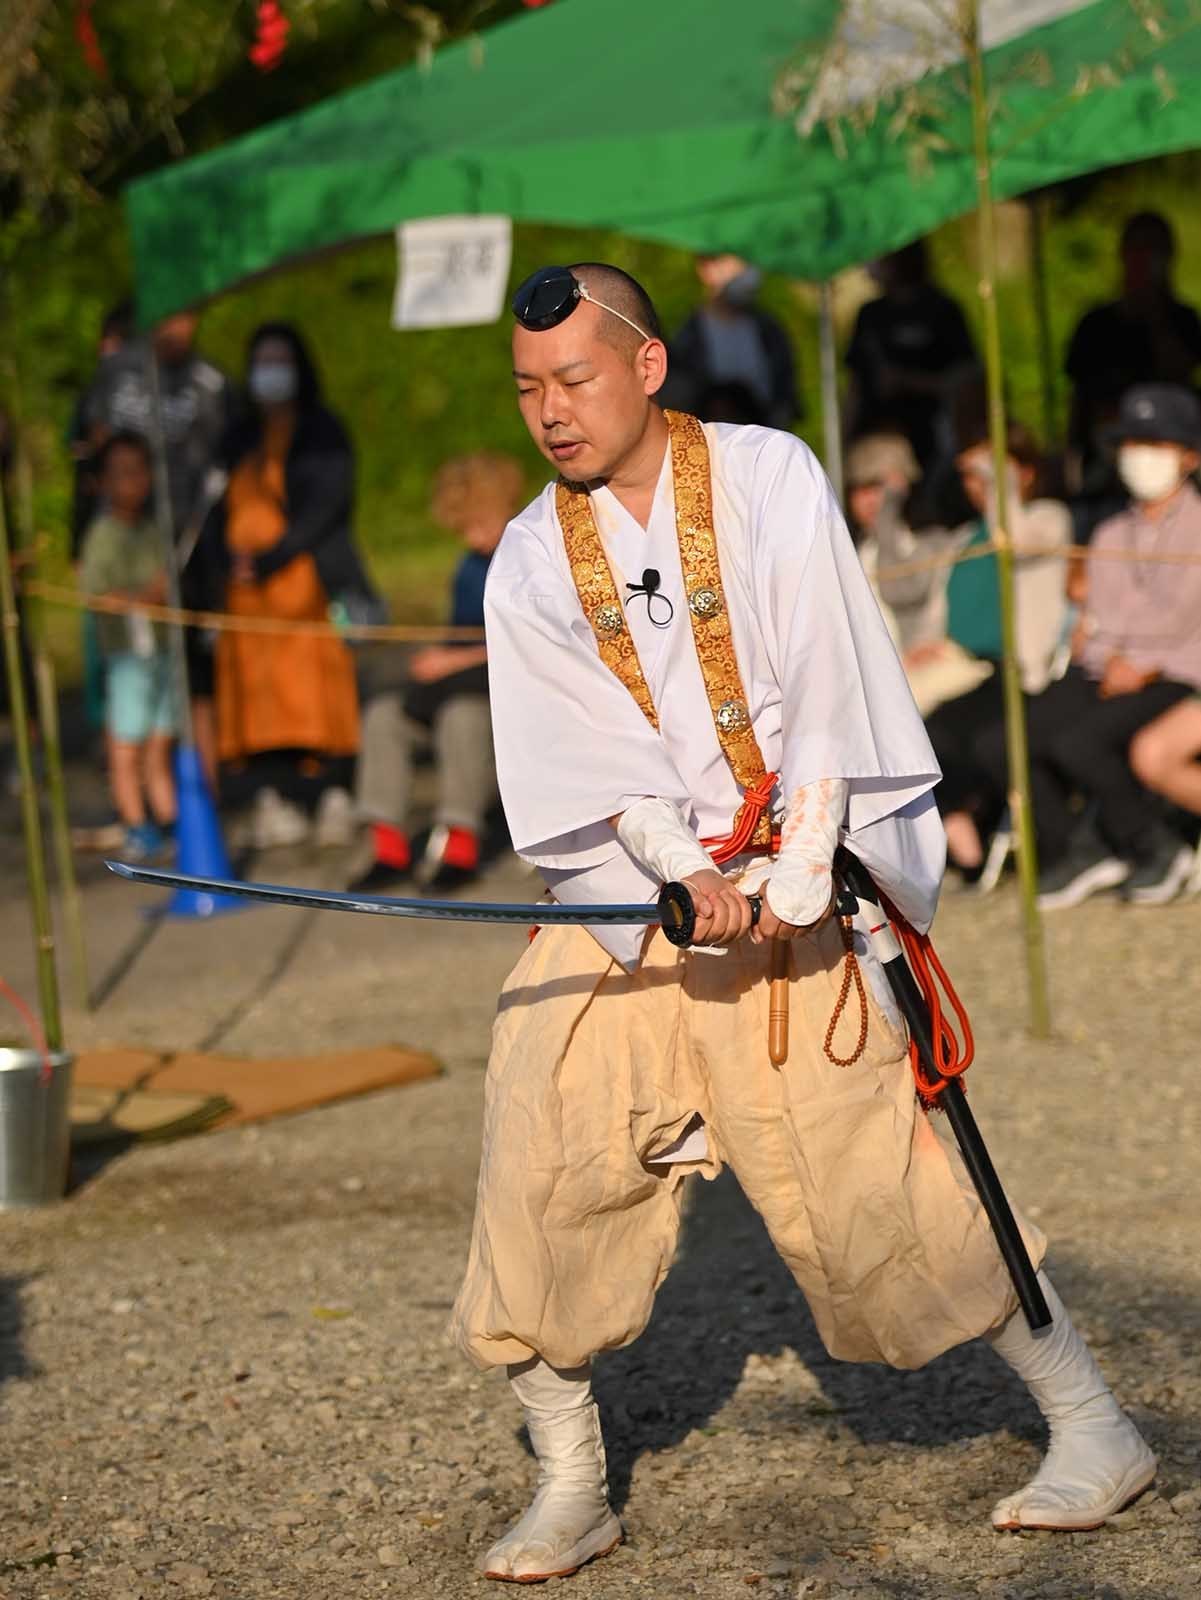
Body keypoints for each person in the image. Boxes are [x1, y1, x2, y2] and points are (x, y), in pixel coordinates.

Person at [448, 261, 1154, 1584]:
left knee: (874, 1183)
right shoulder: (535, 553)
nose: (549, 410)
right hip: (632, 901)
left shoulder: (768, 474)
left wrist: (800, 865)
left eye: (575, 379)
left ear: (647, 365)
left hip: (801, 881)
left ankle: (1094, 1425)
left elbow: (831, 668)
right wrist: (673, 864)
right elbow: (578, 751)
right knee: (540, 1153)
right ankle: (569, 1482)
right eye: (529, 387)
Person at [1015, 384, 1201, 910]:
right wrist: (1109, 653)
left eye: (1156, 442)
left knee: (1079, 741)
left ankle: (1150, 845)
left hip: (1177, 672)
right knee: (1017, 735)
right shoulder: (1110, 532)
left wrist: (1132, 658)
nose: (1139, 456)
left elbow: (1179, 616)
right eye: (1132, 441)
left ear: (1189, 455)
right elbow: (1102, 620)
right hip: (1109, 667)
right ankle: (1083, 847)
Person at [204, 323, 365, 849]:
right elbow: (210, 509)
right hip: (247, 599)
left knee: (320, 693)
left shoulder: (323, 430)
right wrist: (229, 561)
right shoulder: (235, 436)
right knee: (259, 702)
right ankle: (274, 795)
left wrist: (276, 554)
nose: (270, 372)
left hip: (307, 584)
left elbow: (328, 504)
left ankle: (334, 792)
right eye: (262, 360)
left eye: (280, 360)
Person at [350, 452, 522, 892]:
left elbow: (529, 644)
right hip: (463, 680)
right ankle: (388, 848)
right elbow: (459, 635)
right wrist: (437, 656)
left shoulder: (527, 554)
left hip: (506, 694)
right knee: (384, 716)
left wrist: (454, 661)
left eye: (478, 523)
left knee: (462, 719)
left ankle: (460, 845)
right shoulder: (468, 567)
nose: (472, 536)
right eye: (462, 528)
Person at [80, 308, 236, 781]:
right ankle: (139, 802)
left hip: (191, 546)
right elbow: (91, 447)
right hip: (127, 546)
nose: (178, 329)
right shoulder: (116, 375)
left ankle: (195, 793)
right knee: (128, 690)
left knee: (194, 681)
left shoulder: (211, 384)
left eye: (188, 318)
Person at [78, 433, 176, 861]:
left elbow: (166, 583)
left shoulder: (154, 529)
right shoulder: (102, 535)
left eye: (139, 471)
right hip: (125, 659)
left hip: (159, 653)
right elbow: (97, 594)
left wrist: (153, 594)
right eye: (122, 473)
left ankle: (169, 819)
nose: (132, 481)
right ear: (103, 481)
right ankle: (135, 823)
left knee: (159, 745)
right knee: (126, 748)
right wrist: (141, 596)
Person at [1065, 212, 1201, 511]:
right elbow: (1079, 400)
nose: (1144, 260)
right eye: (1137, 249)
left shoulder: (1182, 321)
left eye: (1154, 251)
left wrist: (1155, 317)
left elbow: (1182, 375)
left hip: (1170, 447)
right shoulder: (1096, 324)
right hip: (1106, 451)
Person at [844, 240, 978, 474]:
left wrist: (909, 381)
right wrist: (843, 437)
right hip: (875, 433)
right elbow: (854, 386)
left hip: (930, 434)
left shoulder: (942, 309)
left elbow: (965, 378)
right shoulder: (870, 315)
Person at [659, 253, 799, 429]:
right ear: (707, 267)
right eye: (738, 257)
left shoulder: (769, 330)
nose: (749, 270)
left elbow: (785, 397)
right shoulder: (689, 338)